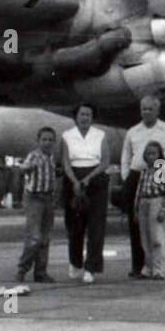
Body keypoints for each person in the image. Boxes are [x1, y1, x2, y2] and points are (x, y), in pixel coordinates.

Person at [120, 95, 165, 279]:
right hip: (138, 173)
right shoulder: (132, 131)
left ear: (157, 110)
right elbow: (125, 155)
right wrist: (127, 177)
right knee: (137, 224)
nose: (146, 112)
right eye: (143, 109)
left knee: (160, 225)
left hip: (160, 170)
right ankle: (139, 266)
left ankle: (162, 267)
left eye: (150, 109)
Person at [60, 103, 109, 284]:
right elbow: (65, 161)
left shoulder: (100, 135)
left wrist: (89, 178)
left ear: (92, 117)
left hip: (95, 178)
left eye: (88, 114)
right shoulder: (67, 135)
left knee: (96, 226)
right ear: (76, 116)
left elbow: (105, 161)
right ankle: (75, 262)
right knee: (74, 225)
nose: (85, 118)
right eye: (82, 114)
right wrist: (74, 181)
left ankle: (91, 267)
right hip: (73, 177)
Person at [16, 127, 58, 283]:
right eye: (44, 139)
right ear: (38, 141)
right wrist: (27, 168)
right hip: (34, 198)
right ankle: (22, 268)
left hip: (48, 198)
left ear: (54, 142)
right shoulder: (34, 156)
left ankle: (41, 271)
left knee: (45, 238)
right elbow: (23, 168)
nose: (47, 143)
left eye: (50, 140)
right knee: (34, 237)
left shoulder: (52, 157)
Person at [136, 141, 165, 279]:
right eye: (148, 154)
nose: (151, 156)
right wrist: (136, 209)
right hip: (144, 202)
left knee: (157, 238)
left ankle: (159, 270)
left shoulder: (160, 170)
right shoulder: (145, 171)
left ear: (159, 156)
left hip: (156, 201)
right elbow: (139, 191)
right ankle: (148, 268)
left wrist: (164, 208)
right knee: (145, 238)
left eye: (154, 153)